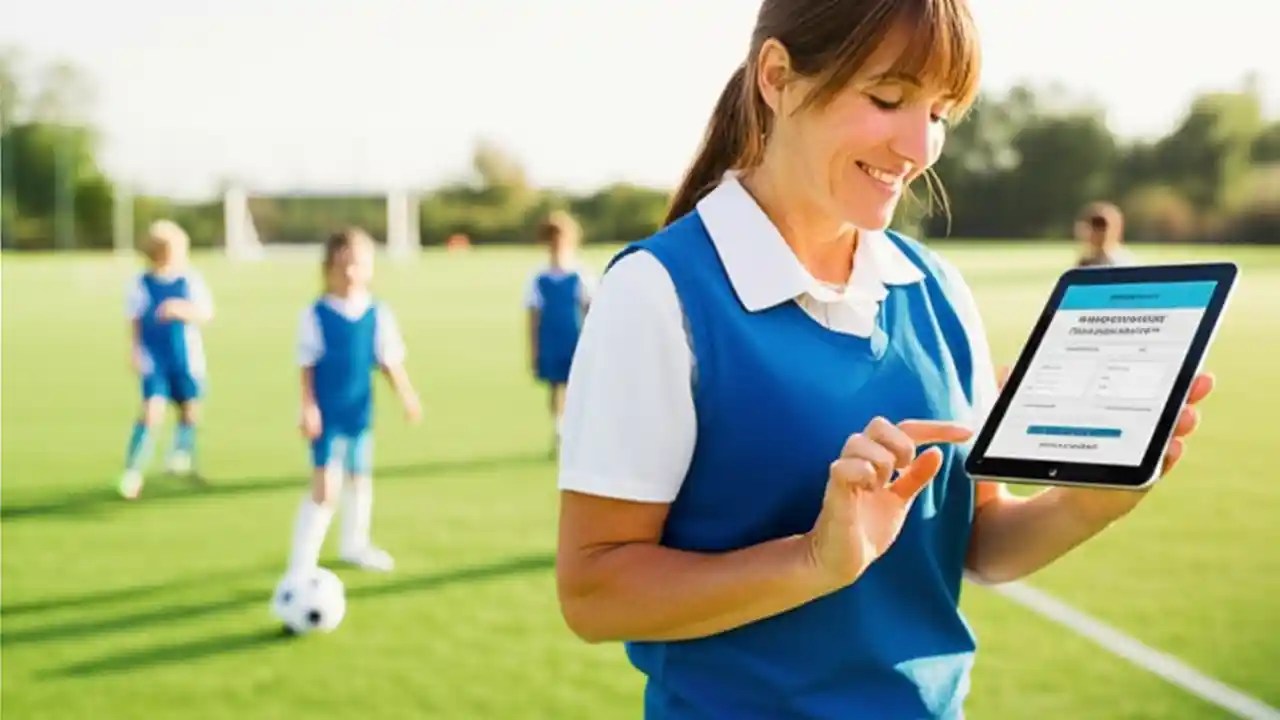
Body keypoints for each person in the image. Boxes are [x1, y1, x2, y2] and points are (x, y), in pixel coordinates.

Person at [553, 1, 1216, 717]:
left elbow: (977, 542)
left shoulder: (936, 290)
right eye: (888, 99)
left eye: (939, 112)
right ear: (777, 77)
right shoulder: (659, 293)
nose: (920, 146)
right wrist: (812, 560)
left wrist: (1088, 505)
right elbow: (595, 593)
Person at [287, 228, 422, 574]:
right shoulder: (315, 314)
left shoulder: (377, 313)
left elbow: (389, 360)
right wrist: (308, 407)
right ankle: (302, 563)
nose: (349, 273)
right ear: (328, 268)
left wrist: (406, 396)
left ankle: (355, 545)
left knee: (359, 480)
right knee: (325, 489)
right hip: (327, 414)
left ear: (369, 268)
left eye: (356, 264)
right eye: (341, 265)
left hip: (359, 411)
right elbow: (307, 365)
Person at [119, 220, 214, 500]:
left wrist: (182, 310)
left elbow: (206, 314)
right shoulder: (141, 283)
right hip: (155, 358)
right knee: (151, 411)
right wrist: (135, 351)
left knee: (189, 409)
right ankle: (132, 472)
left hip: (186, 358)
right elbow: (134, 321)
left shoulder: (190, 280)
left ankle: (180, 456)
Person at [524, 211, 593, 451]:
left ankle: (577, 431)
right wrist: (533, 349)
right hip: (550, 337)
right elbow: (533, 315)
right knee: (555, 387)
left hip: (574, 336)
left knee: (577, 386)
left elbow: (589, 308)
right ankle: (559, 429)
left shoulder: (580, 274)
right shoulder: (539, 277)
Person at [1075, 201, 1135, 268]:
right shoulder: (1085, 263)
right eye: (1095, 225)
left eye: (1102, 226)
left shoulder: (1124, 263)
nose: (1100, 232)